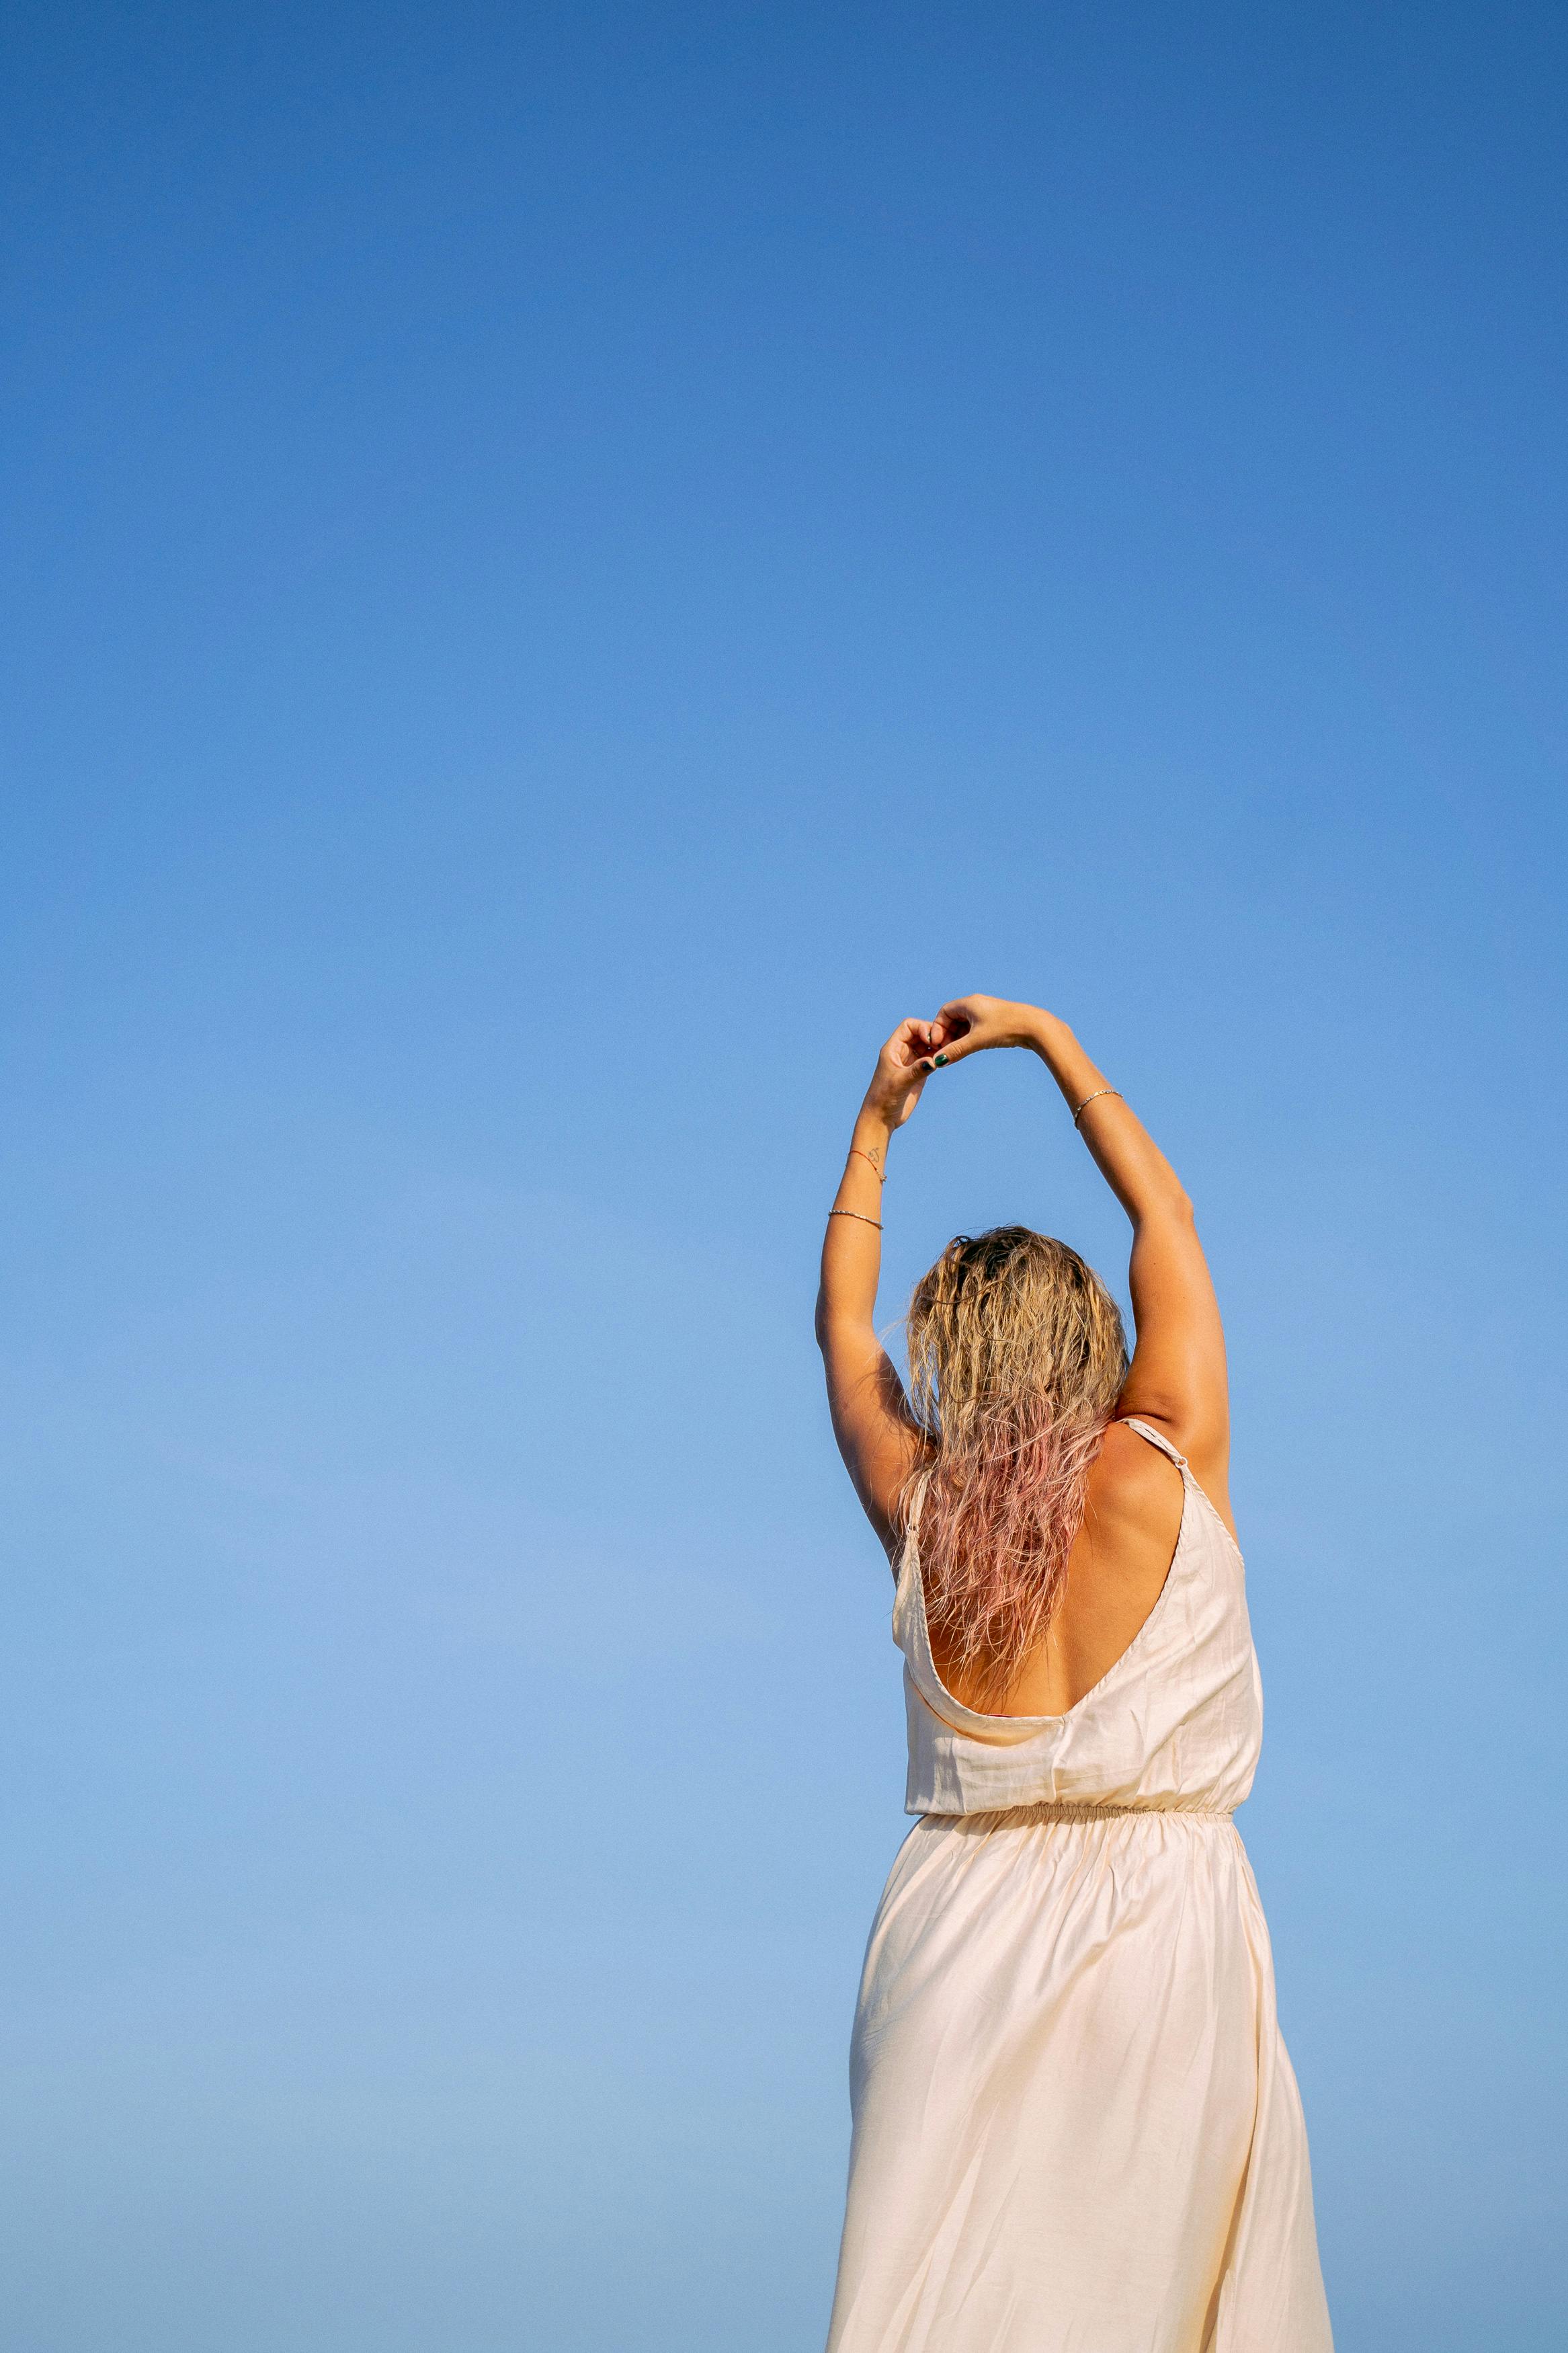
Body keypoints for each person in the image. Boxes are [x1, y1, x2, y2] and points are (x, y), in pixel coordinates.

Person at [816, 994, 1333, 2353]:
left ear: (958, 1359)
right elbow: (1172, 1221)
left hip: (952, 1929)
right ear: (1087, 1338)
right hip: (1161, 1926)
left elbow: (841, 1333)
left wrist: (877, 1127)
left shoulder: (924, 1510)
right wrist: (1053, 1045)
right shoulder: (1165, 1448)